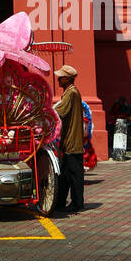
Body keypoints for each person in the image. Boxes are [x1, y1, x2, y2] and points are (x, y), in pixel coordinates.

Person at [54, 64, 85, 213]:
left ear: (67, 79)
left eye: (61, 77)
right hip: (68, 142)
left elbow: (61, 111)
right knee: (65, 175)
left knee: (74, 175)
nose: (58, 79)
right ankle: (61, 202)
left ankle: (77, 204)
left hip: (73, 142)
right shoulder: (70, 92)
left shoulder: (71, 93)